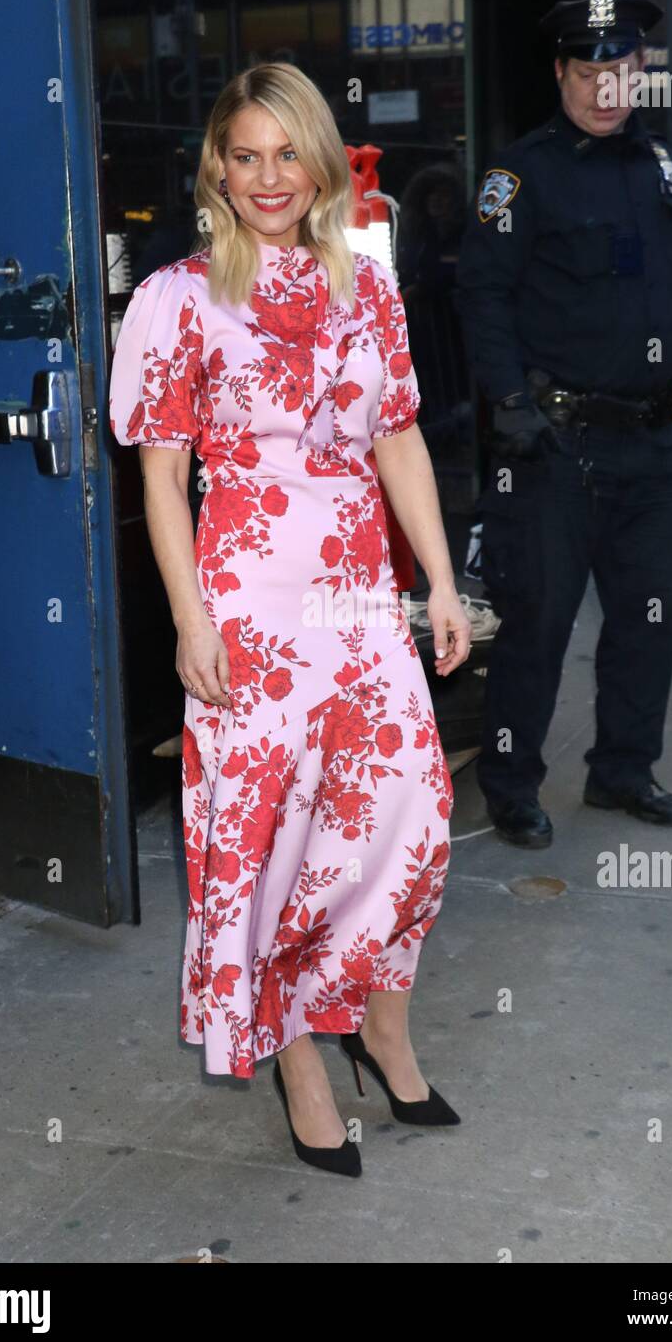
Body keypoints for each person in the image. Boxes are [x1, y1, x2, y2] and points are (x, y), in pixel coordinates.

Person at [108, 62, 469, 1176]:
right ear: (217, 164)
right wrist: (188, 620)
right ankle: (298, 1056)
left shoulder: (364, 282)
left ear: (318, 160)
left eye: (287, 152)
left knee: (408, 822)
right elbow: (164, 480)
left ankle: (380, 1021)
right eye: (244, 154)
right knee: (268, 848)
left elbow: (396, 436)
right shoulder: (178, 295)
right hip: (249, 614)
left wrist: (441, 583)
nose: (268, 176)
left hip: (359, 603)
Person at [455, 0, 672, 849]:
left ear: (642, 71)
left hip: (650, 446)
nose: (605, 90)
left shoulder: (656, 168)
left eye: (620, 71)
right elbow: (482, 294)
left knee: (649, 618)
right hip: (554, 446)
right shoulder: (520, 175)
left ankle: (622, 771)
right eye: (588, 73)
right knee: (537, 626)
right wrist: (507, 402)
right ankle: (510, 784)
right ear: (559, 73)